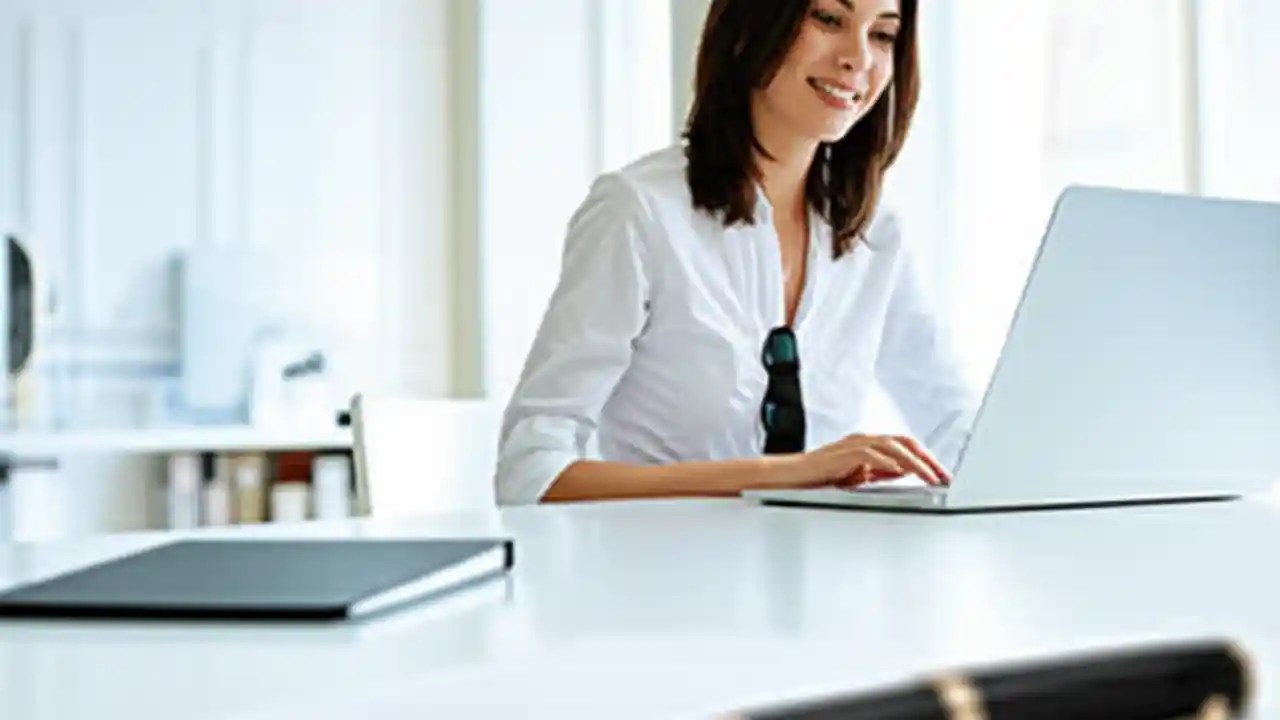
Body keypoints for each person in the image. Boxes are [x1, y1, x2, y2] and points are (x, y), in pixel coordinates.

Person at [495, 0, 979, 505]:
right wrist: (789, 474)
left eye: (882, 35)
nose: (857, 58)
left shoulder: (875, 236)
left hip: (824, 573)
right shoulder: (638, 212)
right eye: (829, 19)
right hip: (657, 573)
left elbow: (959, 427)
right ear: (751, 27)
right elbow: (530, 474)